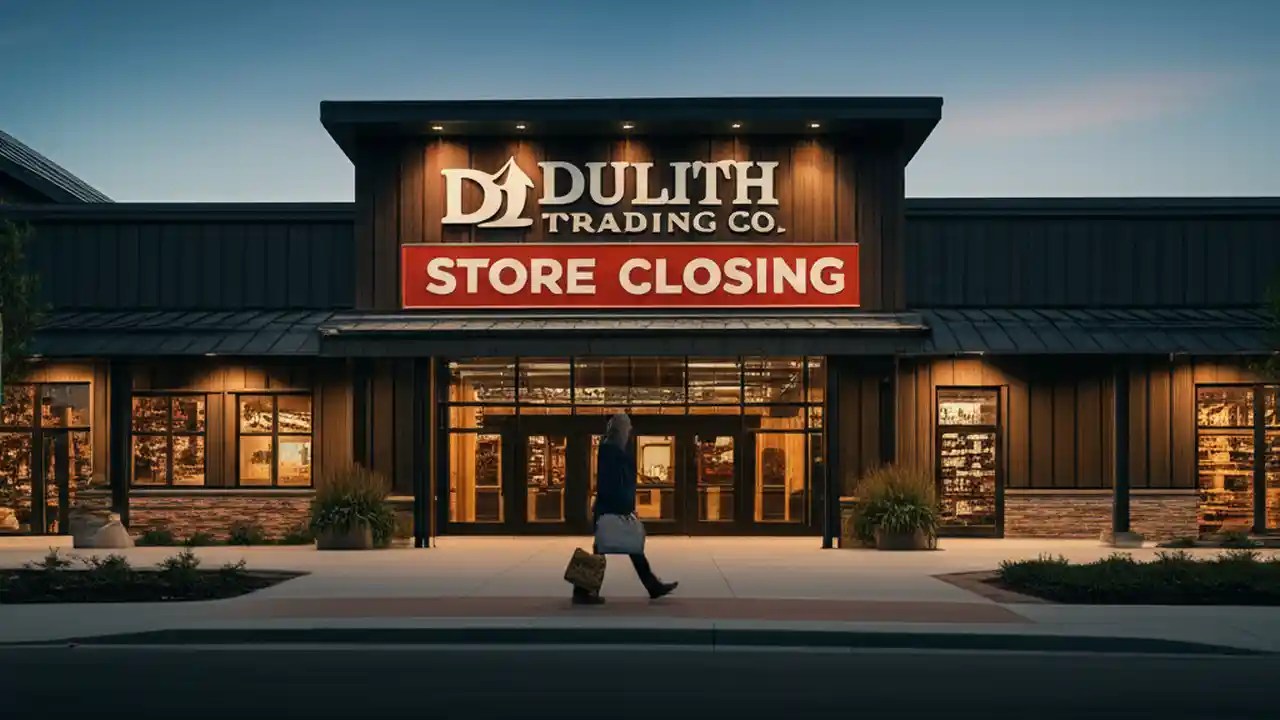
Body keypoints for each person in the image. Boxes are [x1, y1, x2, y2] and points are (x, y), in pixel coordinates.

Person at [573, 412, 678, 605]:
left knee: (624, 547)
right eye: (627, 427)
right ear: (621, 430)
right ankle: (583, 590)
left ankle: (585, 590)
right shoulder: (612, 452)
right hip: (611, 508)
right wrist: (624, 506)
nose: (629, 431)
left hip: (610, 508)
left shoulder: (611, 449)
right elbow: (615, 483)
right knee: (610, 549)